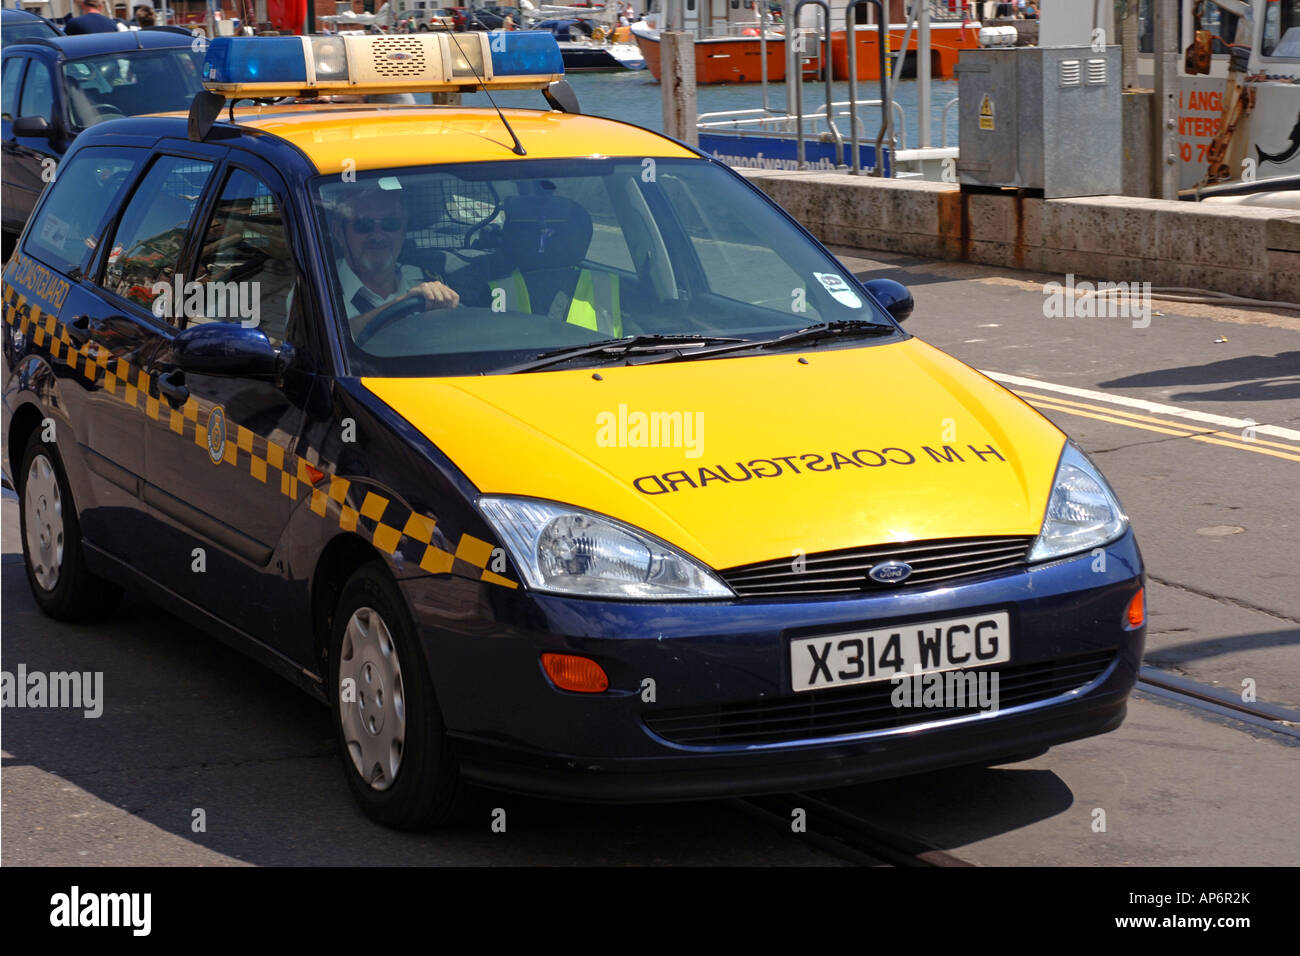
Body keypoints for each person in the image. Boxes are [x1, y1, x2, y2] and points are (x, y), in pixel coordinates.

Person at [330, 189, 459, 341]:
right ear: (339, 233)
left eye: (390, 224)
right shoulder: (318, 285)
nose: (378, 236)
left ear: (403, 231)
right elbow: (322, 341)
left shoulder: (429, 281)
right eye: (364, 224)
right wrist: (401, 305)